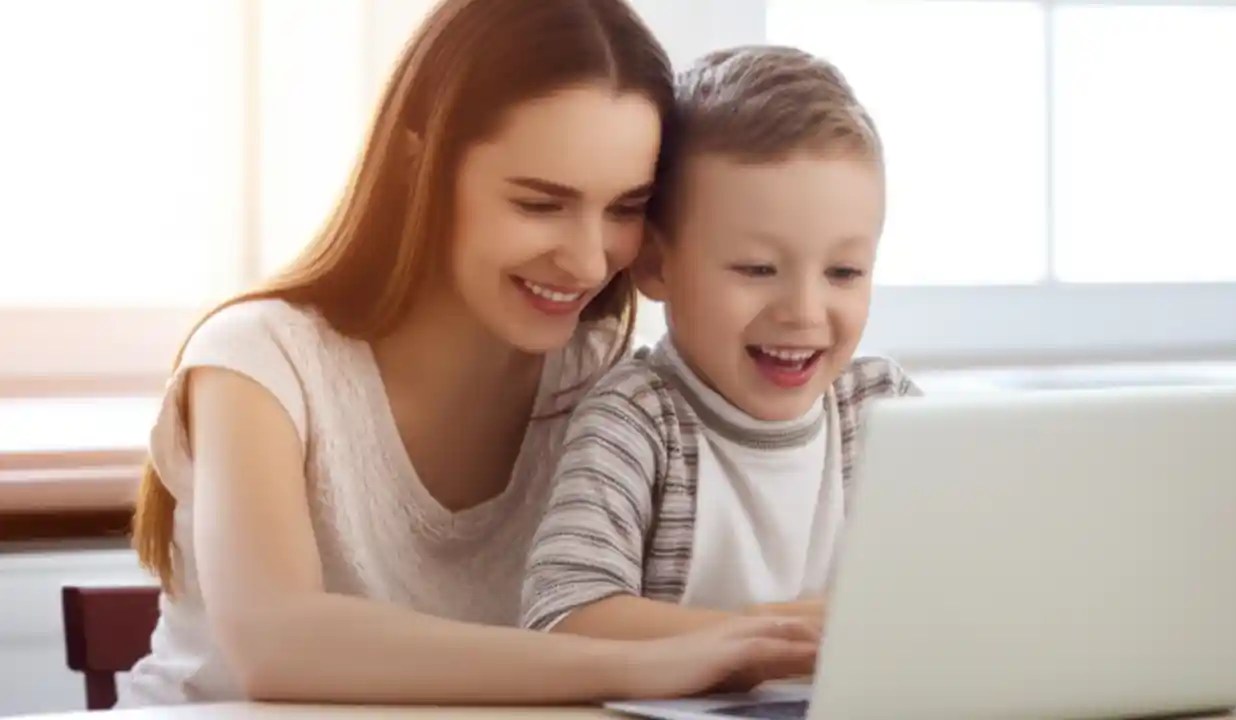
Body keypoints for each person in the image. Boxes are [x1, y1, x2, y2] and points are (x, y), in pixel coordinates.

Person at [119, 2, 818, 707]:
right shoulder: (258, 361)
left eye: (624, 209)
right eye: (540, 204)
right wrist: (638, 664)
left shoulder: (605, 378)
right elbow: (279, 644)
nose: (585, 260)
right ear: (418, 166)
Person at [521, 46, 922, 641]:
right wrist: (773, 636)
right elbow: (565, 616)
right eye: (758, 269)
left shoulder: (881, 408)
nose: (804, 313)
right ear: (658, 266)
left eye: (844, 273)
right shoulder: (638, 421)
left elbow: (972, 579)